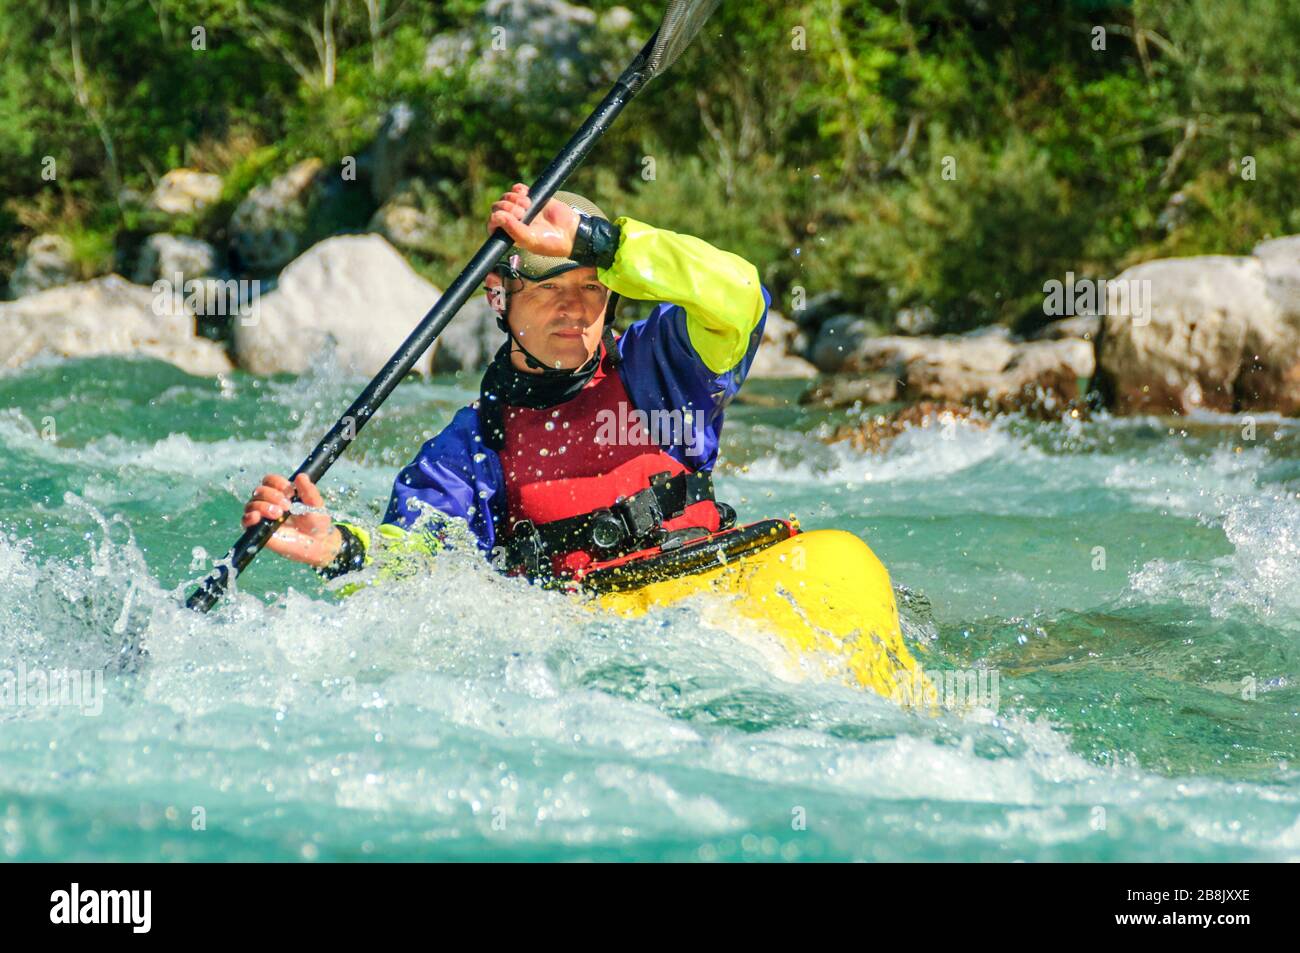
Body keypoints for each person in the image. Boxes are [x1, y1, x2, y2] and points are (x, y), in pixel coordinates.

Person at [242, 184, 770, 583]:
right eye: (548, 289)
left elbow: (740, 295)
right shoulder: (470, 450)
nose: (575, 310)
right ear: (498, 298)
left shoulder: (664, 368)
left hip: (710, 593)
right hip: (599, 644)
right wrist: (342, 551)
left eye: (592, 286)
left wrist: (599, 241)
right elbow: (418, 565)